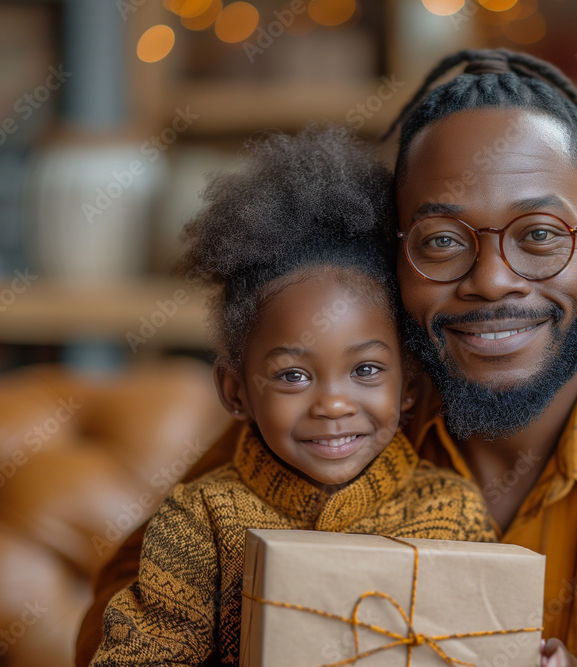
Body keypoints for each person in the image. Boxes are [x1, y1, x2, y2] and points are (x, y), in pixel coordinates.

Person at [79, 50, 577, 667]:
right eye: (442, 241)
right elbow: (116, 618)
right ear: (396, 255)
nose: (492, 279)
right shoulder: (347, 396)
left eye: (541, 234)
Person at [88, 127, 497, 666]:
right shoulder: (200, 521)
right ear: (236, 392)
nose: (332, 404)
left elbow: (487, 642)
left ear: (409, 388)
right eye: (293, 377)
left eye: (366, 370)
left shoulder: (453, 514)